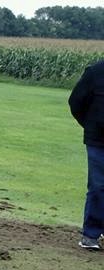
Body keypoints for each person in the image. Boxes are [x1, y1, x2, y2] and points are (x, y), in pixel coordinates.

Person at [69, 59, 104, 251]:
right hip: (98, 141)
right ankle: (90, 235)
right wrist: (91, 126)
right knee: (98, 187)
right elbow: (76, 102)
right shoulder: (95, 72)